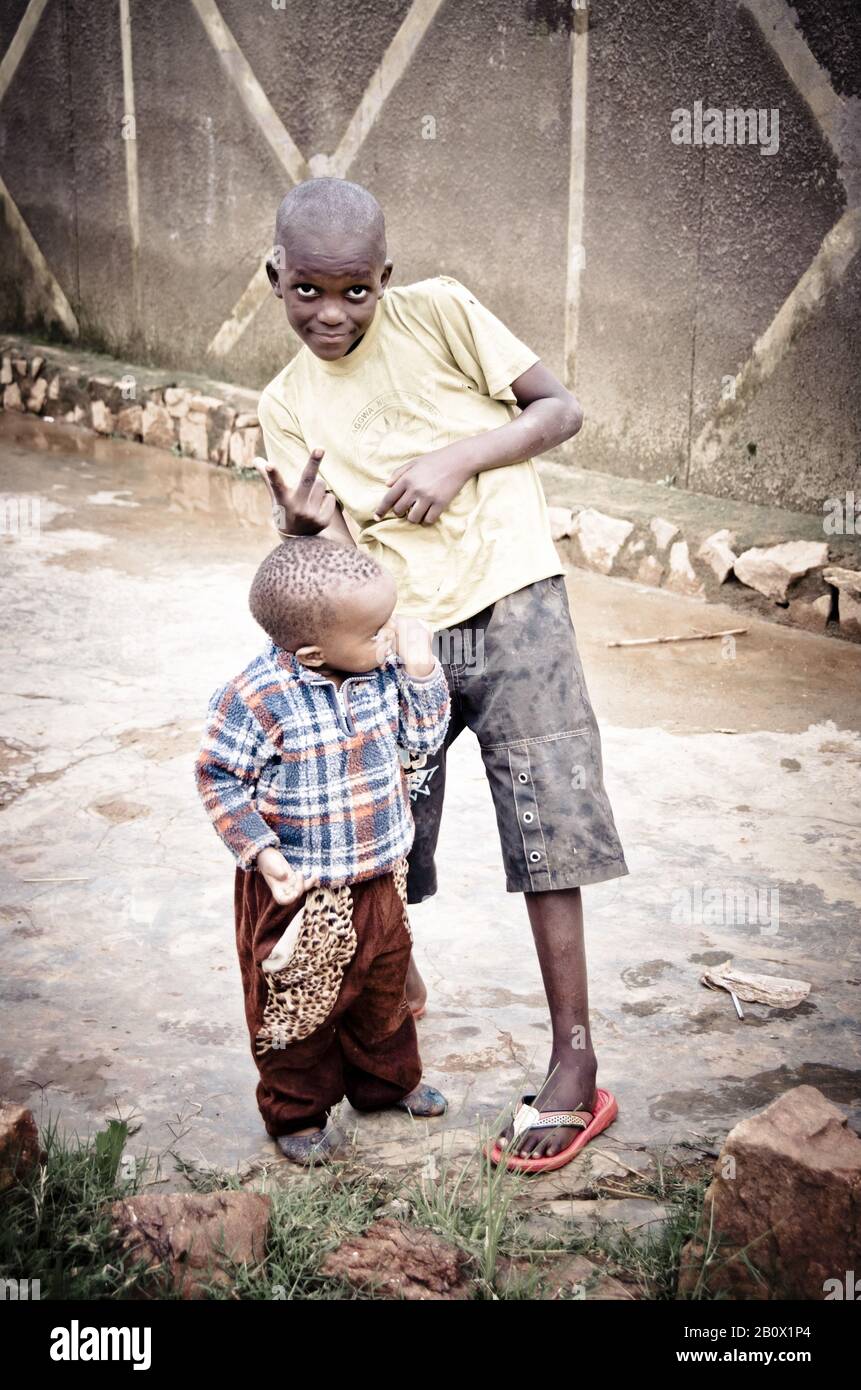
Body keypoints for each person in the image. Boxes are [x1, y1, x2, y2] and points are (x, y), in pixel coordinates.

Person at [256, 177, 628, 1172]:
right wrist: (308, 535)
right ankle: (381, 1026)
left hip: (515, 603)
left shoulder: (446, 313)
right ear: (274, 277)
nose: (330, 314)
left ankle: (575, 1066)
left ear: (387, 279)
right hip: (397, 642)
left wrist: (460, 458)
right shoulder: (283, 406)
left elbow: (560, 411)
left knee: (549, 826)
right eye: (306, 292)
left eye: (354, 292)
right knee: (376, 849)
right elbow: (333, 561)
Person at [194, 534, 450, 1164]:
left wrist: (421, 674)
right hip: (299, 894)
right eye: (374, 633)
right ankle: (297, 1112)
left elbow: (422, 742)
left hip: (377, 877)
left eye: (388, 623)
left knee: (382, 992)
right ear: (312, 651)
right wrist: (261, 852)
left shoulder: (383, 671)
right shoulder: (254, 697)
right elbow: (218, 777)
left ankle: (385, 1084)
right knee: (293, 1010)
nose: (388, 638)